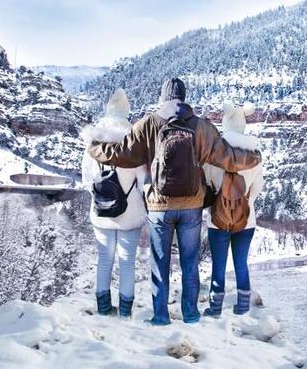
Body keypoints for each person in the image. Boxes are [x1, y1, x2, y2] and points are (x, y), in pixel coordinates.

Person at [88, 78, 261, 325]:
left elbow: (122, 154)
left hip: (159, 205)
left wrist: (93, 147)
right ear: (184, 98)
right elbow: (228, 158)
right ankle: (190, 314)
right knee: (190, 263)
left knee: (160, 263)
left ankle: (160, 316)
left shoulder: (148, 123)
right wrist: (253, 157)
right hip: (192, 204)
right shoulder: (201, 126)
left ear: (162, 98)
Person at [80, 88, 147, 318]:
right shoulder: (134, 144)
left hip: (101, 212)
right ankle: (126, 311)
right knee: (127, 262)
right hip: (130, 214)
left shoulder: (93, 143)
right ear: (127, 112)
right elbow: (142, 181)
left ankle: (103, 308)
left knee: (104, 260)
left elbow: (87, 180)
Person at [203, 102, 264, 317]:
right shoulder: (255, 156)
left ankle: (215, 307)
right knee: (241, 263)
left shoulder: (214, 155)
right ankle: (243, 307)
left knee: (218, 265)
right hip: (246, 220)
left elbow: (207, 184)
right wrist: (245, 203)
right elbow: (257, 188)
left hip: (217, 219)